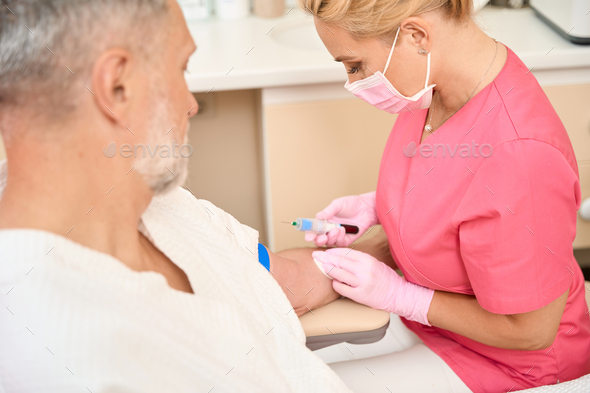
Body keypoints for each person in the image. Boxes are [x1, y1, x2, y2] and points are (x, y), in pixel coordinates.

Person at [0, 0, 350, 391]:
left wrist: (389, 238)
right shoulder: (64, 354)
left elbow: (280, 279)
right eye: (181, 69)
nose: (192, 105)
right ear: (117, 86)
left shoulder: (157, 204)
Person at [300, 0, 590, 392]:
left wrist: (404, 297)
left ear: (416, 35)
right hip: (433, 329)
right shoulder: (433, 84)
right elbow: (457, 188)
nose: (353, 82)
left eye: (355, 65)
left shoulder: (522, 154)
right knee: (287, 362)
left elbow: (531, 331)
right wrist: (377, 206)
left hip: (513, 362)